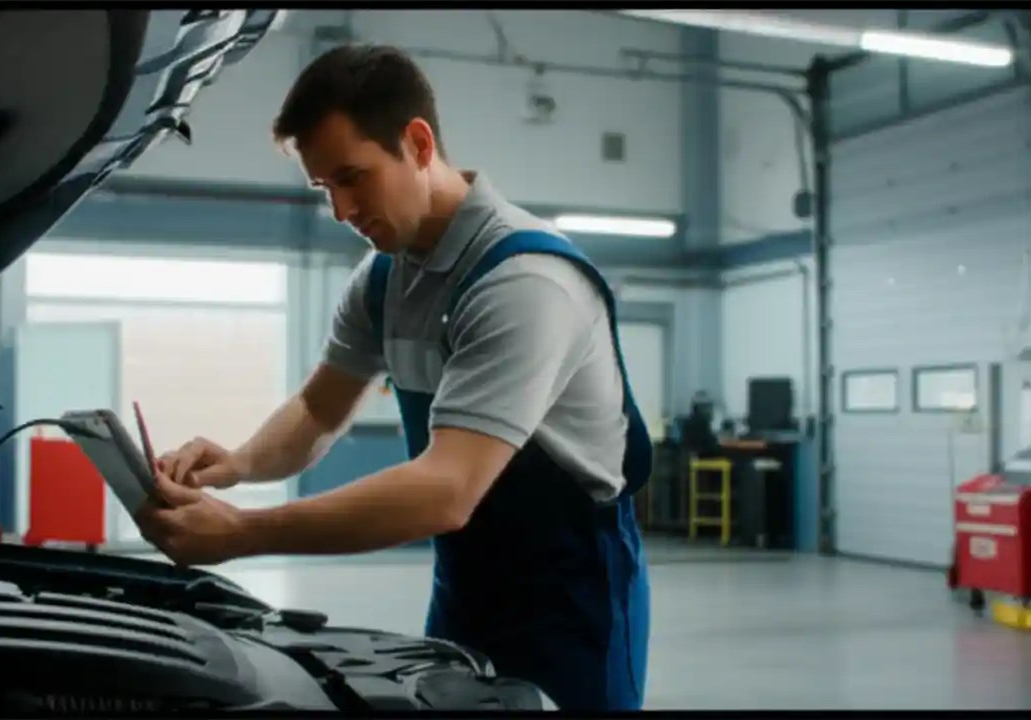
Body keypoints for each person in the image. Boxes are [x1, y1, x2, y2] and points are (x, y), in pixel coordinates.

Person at [135, 43, 652, 711]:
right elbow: (318, 411)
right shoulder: (383, 280)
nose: (342, 211)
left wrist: (245, 530)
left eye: (354, 176)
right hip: (464, 588)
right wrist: (233, 465)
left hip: (572, 604)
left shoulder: (526, 283)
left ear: (417, 143)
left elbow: (446, 490)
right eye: (325, 188)